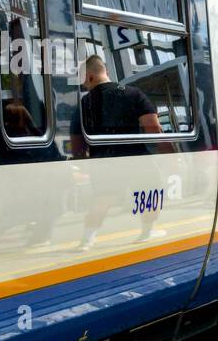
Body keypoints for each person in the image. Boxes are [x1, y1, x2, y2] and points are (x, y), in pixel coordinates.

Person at [70, 54, 165, 250]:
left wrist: (85, 162)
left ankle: (87, 239)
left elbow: (77, 143)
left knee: (102, 198)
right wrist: (165, 154)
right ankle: (147, 231)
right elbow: (153, 127)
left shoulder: (83, 104)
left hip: (103, 161)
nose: (85, 86)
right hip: (137, 159)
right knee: (149, 193)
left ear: (89, 77)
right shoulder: (133, 93)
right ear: (106, 72)